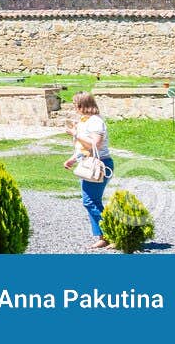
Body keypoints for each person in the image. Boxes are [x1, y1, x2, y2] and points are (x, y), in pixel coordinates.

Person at [65, 91, 114, 248]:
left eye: (75, 105)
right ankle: (103, 236)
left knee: (90, 201)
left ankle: (110, 234)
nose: (74, 107)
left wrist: (75, 133)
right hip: (88, 163)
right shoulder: (85, 121)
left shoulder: (95, 121)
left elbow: (96, 144)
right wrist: (73, 159)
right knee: (91, 201)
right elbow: (84, 147)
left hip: (99, 164)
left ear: (82, 105)